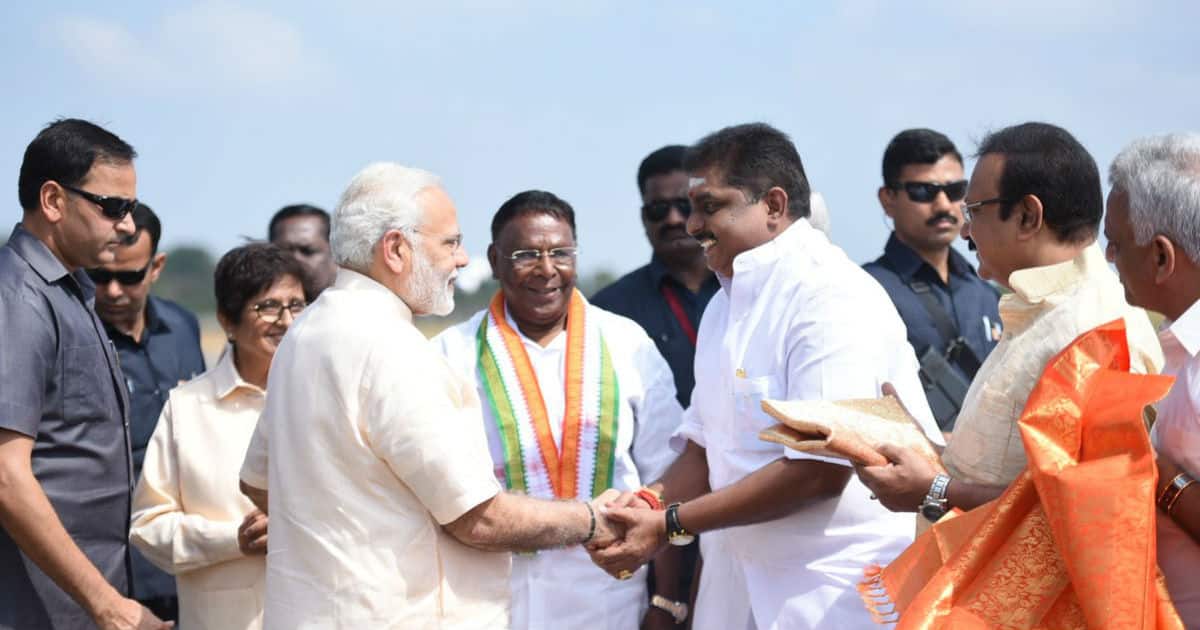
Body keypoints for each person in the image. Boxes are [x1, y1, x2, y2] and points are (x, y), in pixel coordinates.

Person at [589, 123, 944, 629]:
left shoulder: (829, 296)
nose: (691, 225)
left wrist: (669, 523)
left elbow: (818, 471)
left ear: (774, 206)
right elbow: (704, 446)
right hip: (735, 587)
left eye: (709, 206)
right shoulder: (723, 304)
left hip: (833, 592)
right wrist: (646, 503)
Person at [238, 163, 623, 628]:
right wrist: (590, 518)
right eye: (450, 243)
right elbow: (478, 519)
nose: (461, 260)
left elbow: (257, 483)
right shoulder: (390, 348)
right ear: (396, 250)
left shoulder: (305, 334)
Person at [855, 123, 1162, 521]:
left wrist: (935, 490)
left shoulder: (1097, 333)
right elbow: (1004, 469)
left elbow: (1090, 510)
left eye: (973, 210)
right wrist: (927, 450)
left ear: (1027, 216)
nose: (965, 228)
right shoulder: (1038, 315)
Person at [434, 190, 685, 629]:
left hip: (608, 599)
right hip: (489, 597)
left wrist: (667, 602)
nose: (547, 269)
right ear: (495, 260)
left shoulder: (627, 344)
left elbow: (667, 475)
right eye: (527, 254)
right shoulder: (450, 353)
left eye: (561, 253)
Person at [0, 118, 171, 629]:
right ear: (53, 201)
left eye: (131, 209)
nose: (125, 224)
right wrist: (106, 603)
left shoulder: (69, 290)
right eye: (112, 207)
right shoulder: (19, 300)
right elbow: (7, 475)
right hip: (39, 609)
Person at [130, 243, 306, 630]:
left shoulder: (326, 399)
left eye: (297, 305)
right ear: (227, 321)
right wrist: (232, 540)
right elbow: (148, 526)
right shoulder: (188, 408)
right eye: (268, 307)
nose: (288, 321)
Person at [93, 203, 206, 622]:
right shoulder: (75, 339)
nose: (113, 291)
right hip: (109, 565)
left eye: (129, 277)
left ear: (156, 267)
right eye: (100, 276)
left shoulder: (183, 328)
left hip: (182, 557)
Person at [1104, 132, 1200, 624]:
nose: (1107, 259)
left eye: (1115, 244)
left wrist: (1154, 470)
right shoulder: (1176, 347)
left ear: (1161, 257)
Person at [863, 129, 1001, 431]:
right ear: (888, 199)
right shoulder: (864, 291)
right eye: (923, 191)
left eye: (954, 191)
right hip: (910, 467)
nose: (943, 205)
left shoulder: (987, 294)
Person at [592, 145, 719, 409]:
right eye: (658, 208)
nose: (673, 219)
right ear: (643, 217)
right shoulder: (607, 311)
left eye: (686, 205)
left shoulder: (749, 291)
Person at [268, 203, 336, 299]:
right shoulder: (256, 310)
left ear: (335, 253)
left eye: (307, 251)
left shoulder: (357, 306)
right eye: (284, 253)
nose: (295, 259)